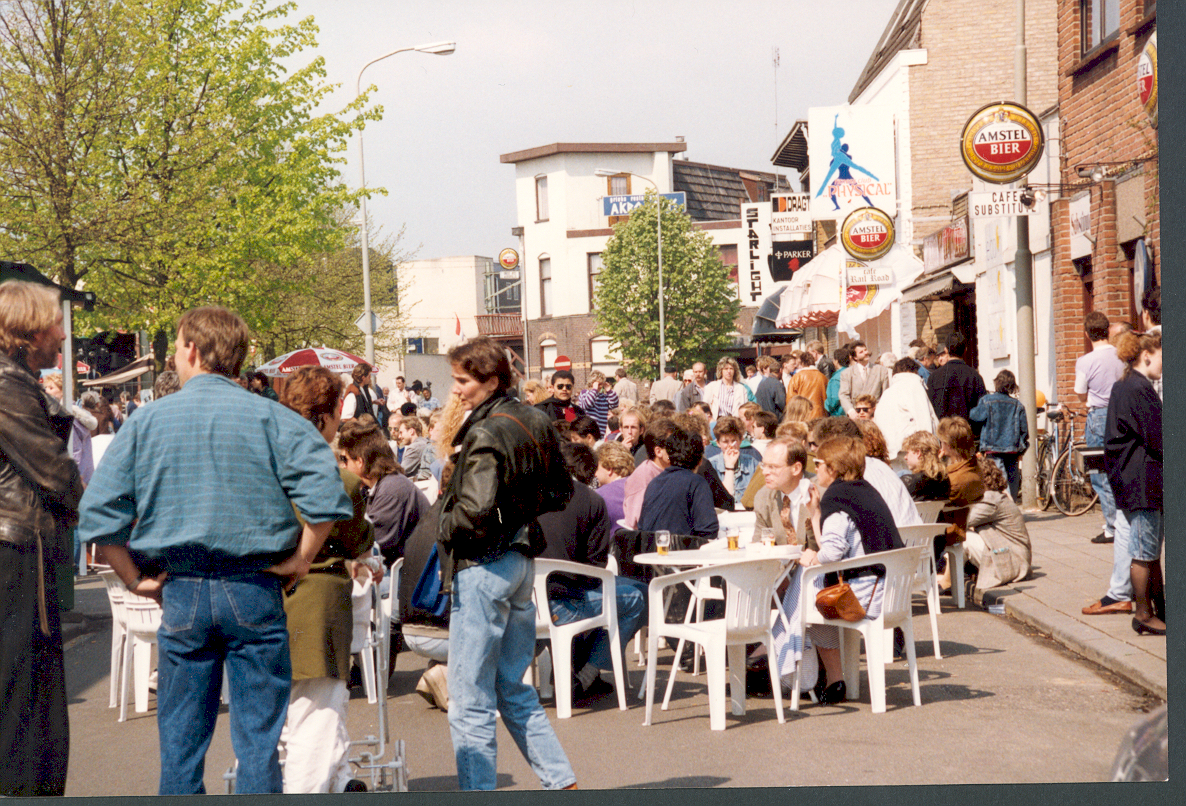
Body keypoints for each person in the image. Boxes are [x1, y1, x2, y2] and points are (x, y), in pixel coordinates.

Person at [78, 305, 353, 794]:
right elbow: (325, 497)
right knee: (259, 747)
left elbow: (99, 514)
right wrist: (302, 559)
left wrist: (131, 578)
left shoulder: (146, 422)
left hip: (181, 587)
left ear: (191, 349)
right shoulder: (273, 418)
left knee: (180, 747)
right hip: (255, 586)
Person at [437, 336, 577, 791]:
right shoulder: (535, 417)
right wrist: (517, 510)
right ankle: (562, 783)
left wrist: (443, 525)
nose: (456, 390)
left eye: (462, 381)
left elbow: (475, 510)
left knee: (469, 700)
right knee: (513, 689)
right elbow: (561, 491)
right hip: (519, 562)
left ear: (491, 379)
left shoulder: (485, 430)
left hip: (484, 565)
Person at [276, 366, 376, 794]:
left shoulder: (266, 467)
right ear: (332, 412)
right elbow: (359, 541)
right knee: (316, 724)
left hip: (263, 600)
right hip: (318, 602)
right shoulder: (343, 481)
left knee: (281, 727)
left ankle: (339, 781)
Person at [0, 280, 81, 797]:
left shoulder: (17, 383)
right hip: (17, 554)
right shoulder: (8, 387)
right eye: (56, 323)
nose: (64, 335)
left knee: (32, 694)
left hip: (24, 550)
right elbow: (57, 476)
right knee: (25, 696)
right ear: (28, 332)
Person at [537, 442, 647, 704]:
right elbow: (594, 571)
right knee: (637, 598)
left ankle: (578, 667)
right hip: (564, 603)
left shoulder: (529, 496)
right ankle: (587, 674)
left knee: (634, 589)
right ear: (589, 471)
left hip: (523, 601)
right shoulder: (591, 501)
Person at [800, 435, 903, 704]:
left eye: (818, 463)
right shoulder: (865, 490)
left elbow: (831, 553)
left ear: (832, 468)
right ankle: (832, 679)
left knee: (806, 602)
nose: (815, 469)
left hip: (864, 597)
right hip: (891, 592)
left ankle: (821, 678)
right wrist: (814, 513)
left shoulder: (836, 498)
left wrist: (812, 556)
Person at [1104, 330, 1163, 635]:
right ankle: (1143, 613)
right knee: (1144, 551)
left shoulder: (1126, 385)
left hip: (1132, 479)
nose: (1165, 364)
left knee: (1148, 549)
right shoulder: (1139, 388)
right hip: (1142, 481)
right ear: (1147, 354)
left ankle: (1160, 609)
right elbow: (1159, 437)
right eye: (1163, 357)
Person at [338, 420, 431, 565]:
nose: (342, 465)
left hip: (406, 576)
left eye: (345, 459)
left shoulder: (391, 490)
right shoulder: (377, 485)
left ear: (360, 462)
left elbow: (369, 545)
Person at [1074, 311, 1126, 545]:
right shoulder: (1122, 355)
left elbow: (1079, 391)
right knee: (1123, 466)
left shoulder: (1085, 361)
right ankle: (1124, 521)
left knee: (1101, 472)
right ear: (1106, 330)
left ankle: (1112, 527)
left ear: (1087, 334)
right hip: (1123, 412)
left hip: (1099, 415)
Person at [965, 457, 1032, 596]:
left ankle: (949, 579)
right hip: (1015, 555)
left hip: (1013, 560)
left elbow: (963, 521)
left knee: (962, 537)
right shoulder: (994, 496)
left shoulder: (989, 499)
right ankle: (954, 575)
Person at [638, 426, 720, 540]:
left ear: (669, 457)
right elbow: (708, 530)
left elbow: (642, 526)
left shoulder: (654, 483)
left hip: (651, 552)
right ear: (700, 460)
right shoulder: (696, 483)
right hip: (682, 554)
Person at [936, 416, 985, 594]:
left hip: (946, 531)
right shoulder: (974, 469)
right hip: (962, 526)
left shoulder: (953, 479)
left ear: (948, 444)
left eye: (942, 441)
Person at [969, 369, 1028, 500]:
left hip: (993, 447)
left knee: (999, 479)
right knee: (1012, 479)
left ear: (997, 383)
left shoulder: (987, 401)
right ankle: (1012, 505)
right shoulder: (1018, 405)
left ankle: (1007, 508)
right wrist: (1021, 449)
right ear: (1012, 386)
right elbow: (1024, 431)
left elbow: (975, 416)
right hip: (1012, 449)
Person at [873, 357, 938, 469]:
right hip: (913, 455)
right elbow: (924, 421)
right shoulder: (914, 386)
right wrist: (930, 453)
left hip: (892, 455)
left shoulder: (887, 393)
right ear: (912, 372)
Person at [753, 438, 815, 547]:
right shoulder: (763, 497)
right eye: (764, 465)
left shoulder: (820, 492)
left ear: (796, 468)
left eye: (773, 467)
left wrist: (816, 555)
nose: (764, 472)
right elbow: (758, 545)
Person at [926, 332, 986, 421]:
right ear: (965, 350)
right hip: (967, 430)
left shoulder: (934, 377)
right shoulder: (974, 376)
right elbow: (981, 410)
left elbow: (930, 409)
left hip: (943, 431)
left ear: (946, 350)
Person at [707, 416, 759, 511]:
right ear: (718, 443)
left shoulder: (753, 463)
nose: (730, 446)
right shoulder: (710, 465)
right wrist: (729, 466)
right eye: (725, 442)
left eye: (734, 441)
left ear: (740, 440)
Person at [838, 340, 890, 418]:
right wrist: (851, 411)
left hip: (876, 415)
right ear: (855, 357)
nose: (865, 353)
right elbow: (843, 395)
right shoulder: (847, 373)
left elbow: (886, 394)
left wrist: (877, 410)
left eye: (865, 350)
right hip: (857, 415)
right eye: (861, 352)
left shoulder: (881, 370)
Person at [900, 431, 951, 501]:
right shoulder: (944, 479)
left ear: (918, 453)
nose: (905, 457)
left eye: (907, 453)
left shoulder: (908, 481)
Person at [594, 442, 635, 526]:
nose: (595, 474)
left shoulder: (599, 497)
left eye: (597, 468)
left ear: (609, 469)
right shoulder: (643, 486)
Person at [754, 355, 786, 419]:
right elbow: (782, 403)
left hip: (763, 417)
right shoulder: (777, 384)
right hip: (774, 419)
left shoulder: (762, 383)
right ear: (780, 370)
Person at [824, 345, 850, 416]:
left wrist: (826, 404)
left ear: (836, 361)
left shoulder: (836, 378)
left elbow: (833, 400)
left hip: (839, 414)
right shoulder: (853, 373)